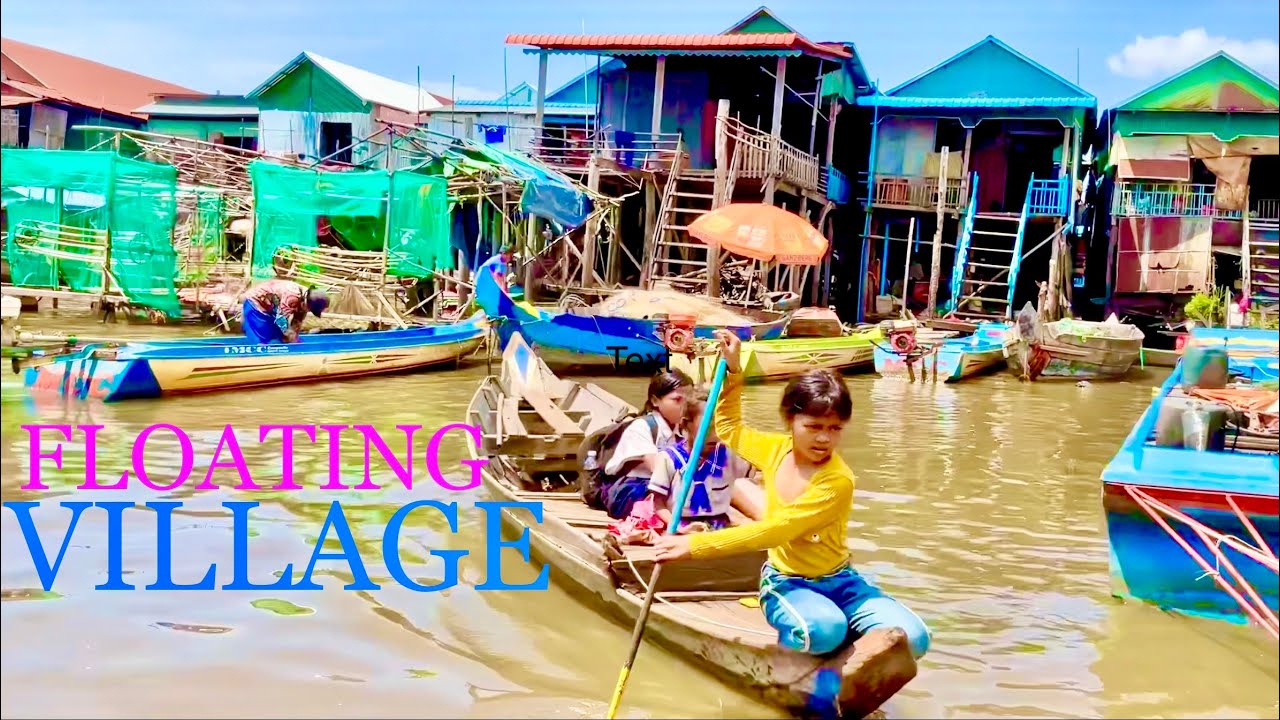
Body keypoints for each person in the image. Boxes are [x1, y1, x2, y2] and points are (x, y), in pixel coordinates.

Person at [653, 330, 931, 660]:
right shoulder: (774, 449)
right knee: (824, 632)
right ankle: (809, 644)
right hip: (788, 581)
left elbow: (777, 530)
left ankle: (839, 638)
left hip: (842, 580)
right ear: (791, 420)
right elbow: (729, 428)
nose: (824, 439)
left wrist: (695, 546)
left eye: (834, 428)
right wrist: (733, 371)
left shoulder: (837, 481)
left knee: (915, 639)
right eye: (813, 427)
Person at [646, 386, 763, 533]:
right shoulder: (668, 459)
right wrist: (677, 528)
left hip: (720, 526)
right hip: (683, 527)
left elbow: (759, 473)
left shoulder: (727, 455)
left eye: (720, 428)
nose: (715, 435)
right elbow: (657, 503)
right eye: (708, 427)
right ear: (685, 424)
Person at [600, 368, 691, 519]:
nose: (685, 406)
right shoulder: (641, 427)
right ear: (655, 401)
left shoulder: (683, 430)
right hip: (631, 491)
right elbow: (659, 469)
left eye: (689, 400)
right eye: (677, 400)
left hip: (663, 487)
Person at [241, 278, 328, 344]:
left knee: (281, 337)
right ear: (306, 304)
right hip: (256, 302)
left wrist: (295, 337)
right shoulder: (292, 297)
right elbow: (280, 319)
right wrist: (289, 335)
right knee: (262, 338)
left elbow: (297, 321)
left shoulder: (306, 300)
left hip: (272, 307)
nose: (309, 311)